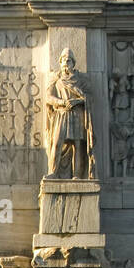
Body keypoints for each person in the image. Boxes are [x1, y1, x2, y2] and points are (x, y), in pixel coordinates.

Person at [44, 48, 94, 179]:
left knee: (77, 144)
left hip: (77, 114)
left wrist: (77, 101)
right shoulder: (56, 78)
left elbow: (90, 97)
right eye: (64, 60)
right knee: (57, 143)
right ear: (60, 62)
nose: (66, 62)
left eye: (69, 60)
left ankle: (77, 175)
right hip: (61, 114)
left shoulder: (80, 79)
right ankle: (53, 172)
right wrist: (61, 102)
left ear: (73, 62)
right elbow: (48, 97)